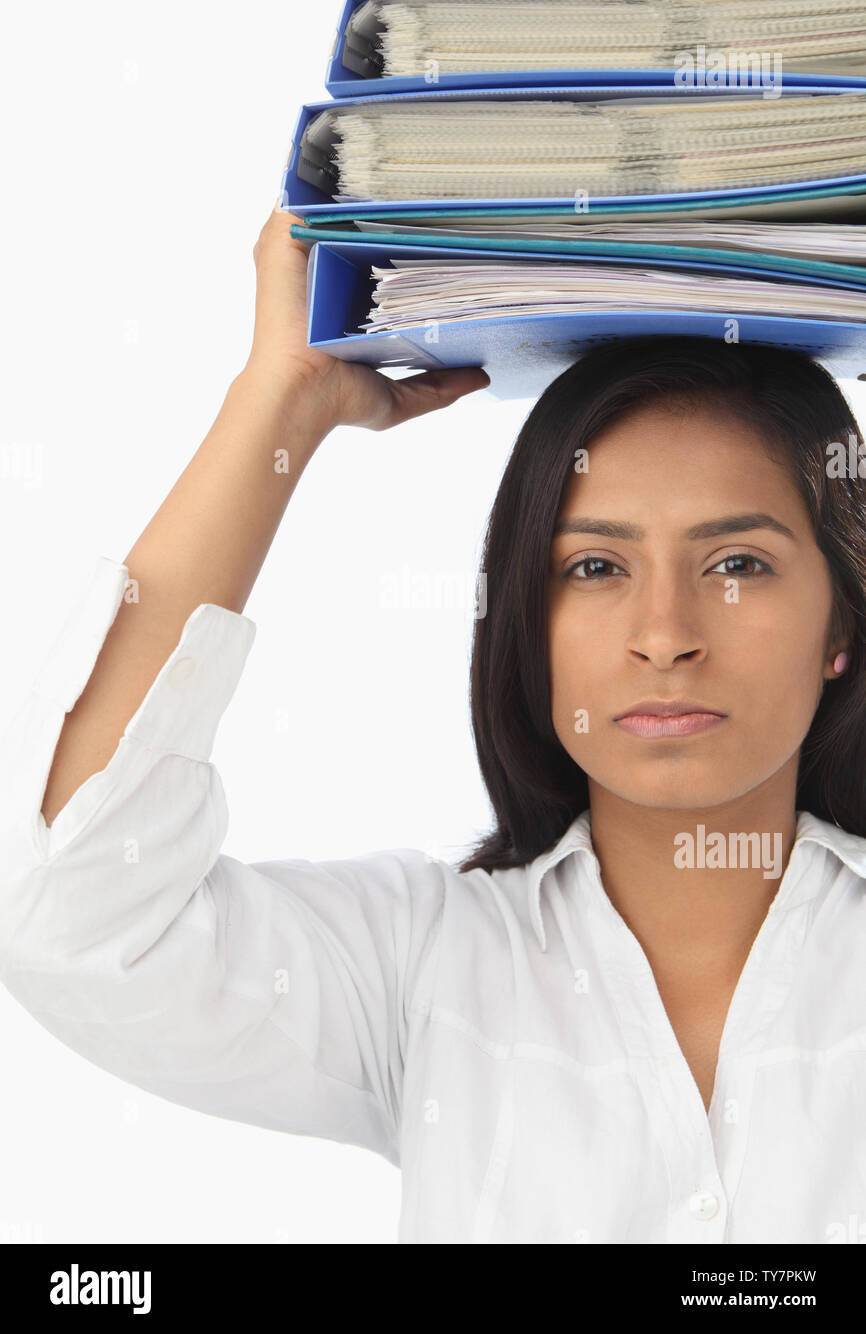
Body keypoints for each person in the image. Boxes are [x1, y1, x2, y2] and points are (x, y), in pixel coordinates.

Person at [1, 204, 865, 1245]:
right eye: (593, 566)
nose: (663, 633)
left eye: (735, 565)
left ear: (841, 626)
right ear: (523, 622)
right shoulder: (423, 966)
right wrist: (282, 402)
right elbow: (68, 906)